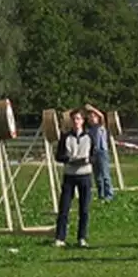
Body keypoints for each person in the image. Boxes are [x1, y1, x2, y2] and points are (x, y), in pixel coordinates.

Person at [53, 108, 93, 248]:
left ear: (83, 121)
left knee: (84, 208)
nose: (76, 122)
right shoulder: (65, 136)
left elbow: (95, 155)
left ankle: (82, 237)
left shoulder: (89, 136)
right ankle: (60, 237)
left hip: (85, 175)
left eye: (78, 119)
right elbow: (58, 156)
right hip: (69, 175)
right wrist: (68, 159)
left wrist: (88, 159)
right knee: (64, 208)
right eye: (74, 119)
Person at [84, 103, 116, 202]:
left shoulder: (101, 126)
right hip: (93, 153)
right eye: (90, 117)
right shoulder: (88, 130)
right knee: (97, 177)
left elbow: (102, 115)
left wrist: (92, 109)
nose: (93, 119)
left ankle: (109, 195)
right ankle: (101, 195)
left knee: (105, 175)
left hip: (102, 152)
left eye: (94, 117)